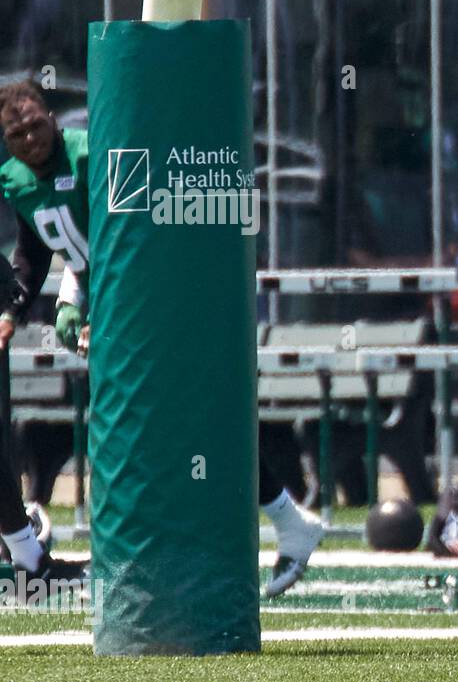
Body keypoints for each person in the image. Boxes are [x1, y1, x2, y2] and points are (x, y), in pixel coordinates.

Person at [0, 80, 322, 598]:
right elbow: (40, 250)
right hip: (120, 305)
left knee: (181, 422)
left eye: (37, 123)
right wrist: (41, 304)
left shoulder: (92, 154)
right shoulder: (14, 178)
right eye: (17, 132)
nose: (31, 137)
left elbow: (129, 236)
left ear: (54, 118)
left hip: (159, 292)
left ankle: (185, 543)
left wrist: (94, 307)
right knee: (178, 424)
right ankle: (278, 521)